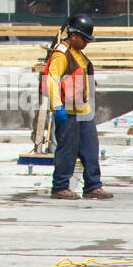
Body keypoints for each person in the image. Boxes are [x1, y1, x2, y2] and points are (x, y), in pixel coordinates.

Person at [44, 11, 112, 201]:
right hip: (67, 111)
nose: (87, 43)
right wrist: (57, 107)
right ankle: (60, 187)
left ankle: (93, 186)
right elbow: (51, 80)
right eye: (85, 39)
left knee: (90, 150)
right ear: (74, 36)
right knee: (67, 150)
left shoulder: (78, 53)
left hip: (83, 111)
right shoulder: (62, 54)